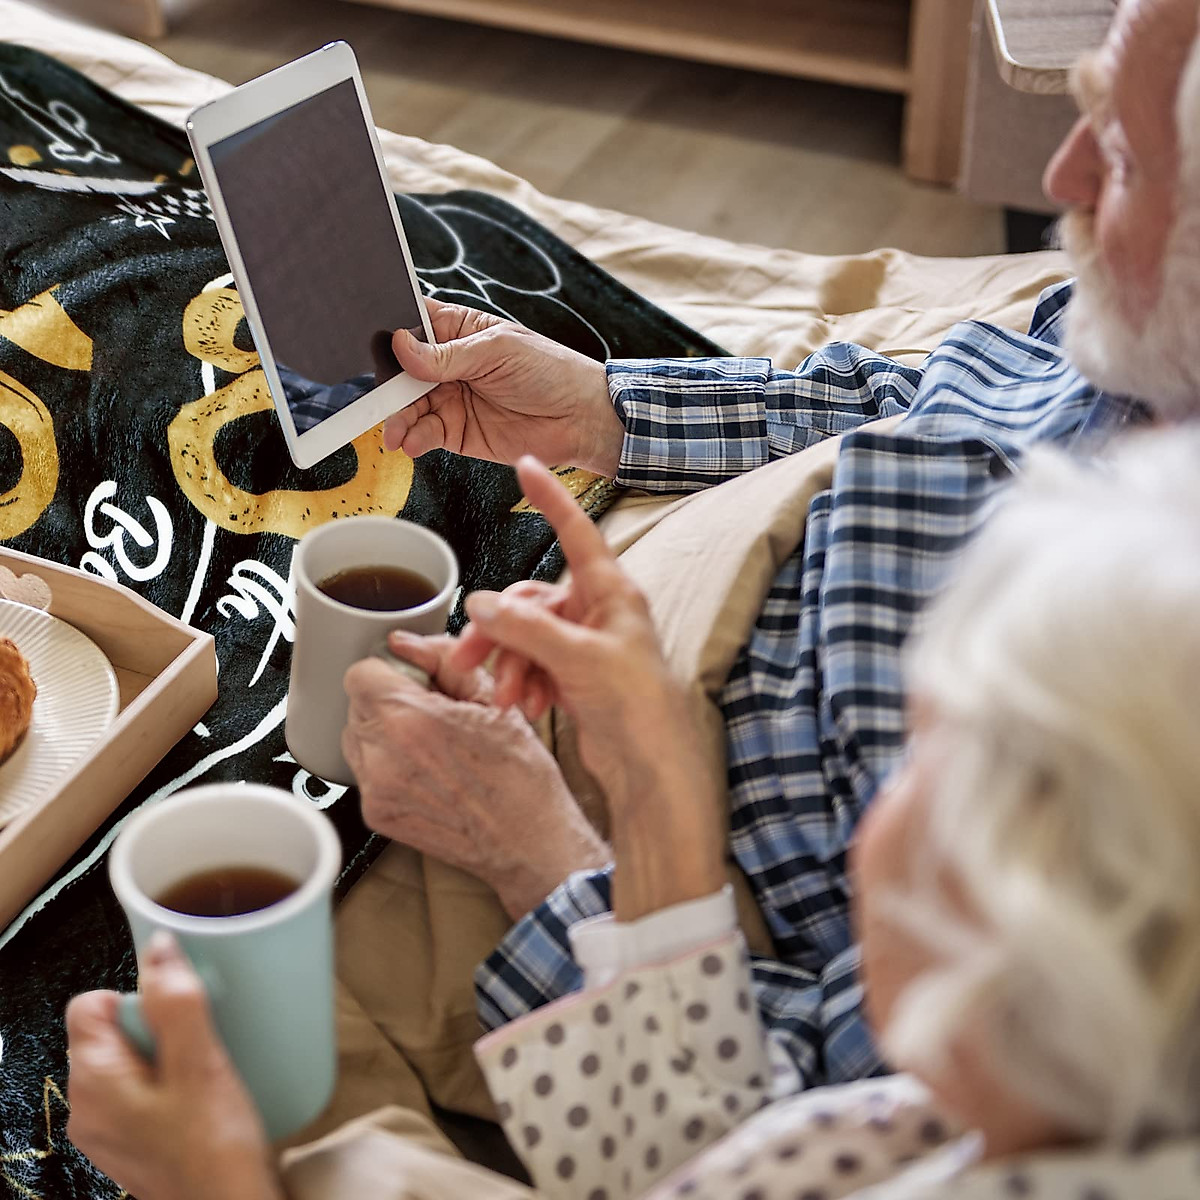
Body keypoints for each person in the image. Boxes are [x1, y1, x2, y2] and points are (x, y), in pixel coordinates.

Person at [62, 0, 1200, 1191]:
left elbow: (765, 1117)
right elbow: (946, 392)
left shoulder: (1065, 903)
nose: (1060, 177)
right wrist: (606, 409)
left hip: (592, 867)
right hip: (632, 637)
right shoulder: (1133, 344)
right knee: (183, 315)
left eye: (1121, 159)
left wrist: (546, 851)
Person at [65, 432, 1200, 1198]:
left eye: (924, 760)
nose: (877, 805)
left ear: (1034, 915)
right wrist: (655, 774)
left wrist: (216, 1185)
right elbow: (691, 1147)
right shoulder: (985, 1118)